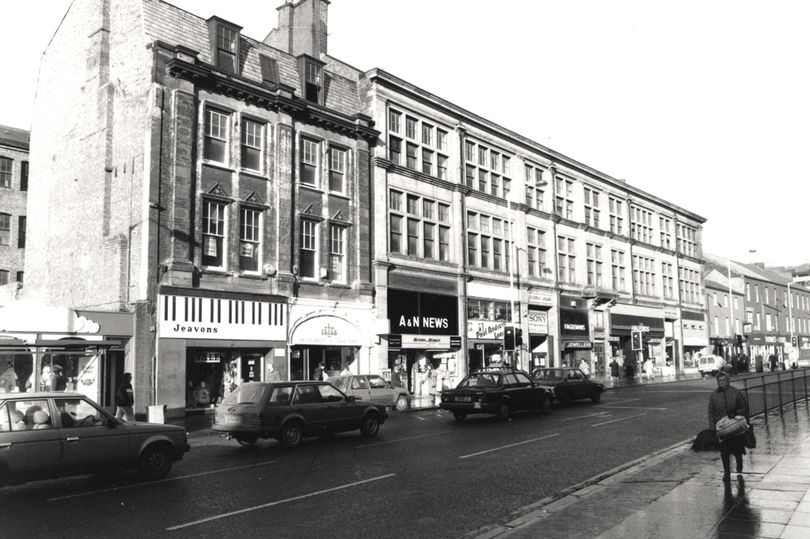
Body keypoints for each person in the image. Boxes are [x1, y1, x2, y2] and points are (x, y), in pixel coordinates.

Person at [708, 368, 749, 482]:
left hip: (735, 426)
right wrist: (712, 428)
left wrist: (736, 413)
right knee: (724, 452)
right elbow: (711, 412)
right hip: (722, 429)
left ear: (728, 380)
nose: (722, 382)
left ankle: (739, 461)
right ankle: (726, 472)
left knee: (737, 449)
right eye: (720, 380)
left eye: (724, 380)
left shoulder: (736, 392)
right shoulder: (714, 395)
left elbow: (744, 408)